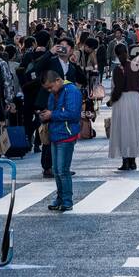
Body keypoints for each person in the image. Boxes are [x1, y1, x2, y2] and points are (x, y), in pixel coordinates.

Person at [39, 70, 82, 212]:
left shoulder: (72, 91)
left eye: (51, 87)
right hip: (55, 134)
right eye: (48, 89)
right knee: (57, 170)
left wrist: (52, 114)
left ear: (58, 80)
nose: (50, 91)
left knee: (62, 170)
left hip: (66, 134)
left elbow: (73, 114)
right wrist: (46, 115)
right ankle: (60, 198)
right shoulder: (55, 93)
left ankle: (67, 200)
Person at [108, 43, 139, 171]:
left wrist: (111, 101)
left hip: (123, 100)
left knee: (123, 129)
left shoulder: (119, 69)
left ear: (116, 54)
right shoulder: (135, 66)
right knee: (133, 129)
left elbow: (118, 88)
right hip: (135, 99)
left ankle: (125, 161)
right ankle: (133, 160)